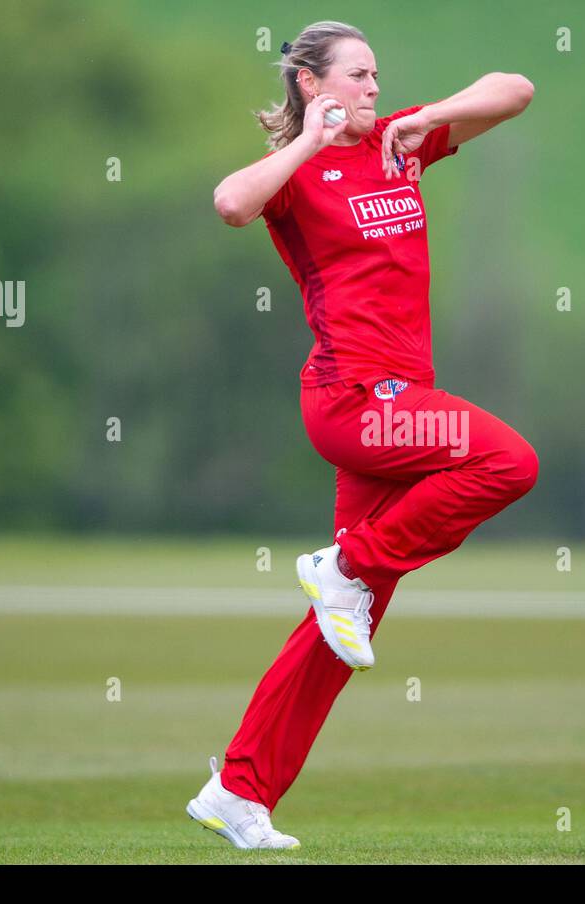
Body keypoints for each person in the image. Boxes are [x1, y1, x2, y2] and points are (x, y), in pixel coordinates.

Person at [187, 20, 538, 849]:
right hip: (353, 401)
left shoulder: (397, 143)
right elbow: (231, 203)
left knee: (344, 631)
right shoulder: (298, 174)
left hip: (402, 400)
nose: (374, 87)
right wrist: (307, 144)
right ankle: (346, 566)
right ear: (311, 83)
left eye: (378, 74)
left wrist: (427, 118)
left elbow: (517, 87)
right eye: (357, 74)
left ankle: (238, 790)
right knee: (508, 461)